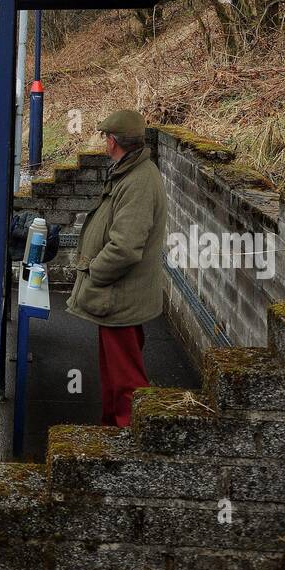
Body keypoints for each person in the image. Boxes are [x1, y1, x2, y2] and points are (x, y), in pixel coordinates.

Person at [65, 110, 166, 428]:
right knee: (114, 372)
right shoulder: (132, 174)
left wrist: (95, 273)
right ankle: (112, 431)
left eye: (105, 137)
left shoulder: (137, 182)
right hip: (118, 297)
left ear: (113, 141)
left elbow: (125, 248)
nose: (104, 143)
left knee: (126, 381)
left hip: (119, 296)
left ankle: (130, 441)